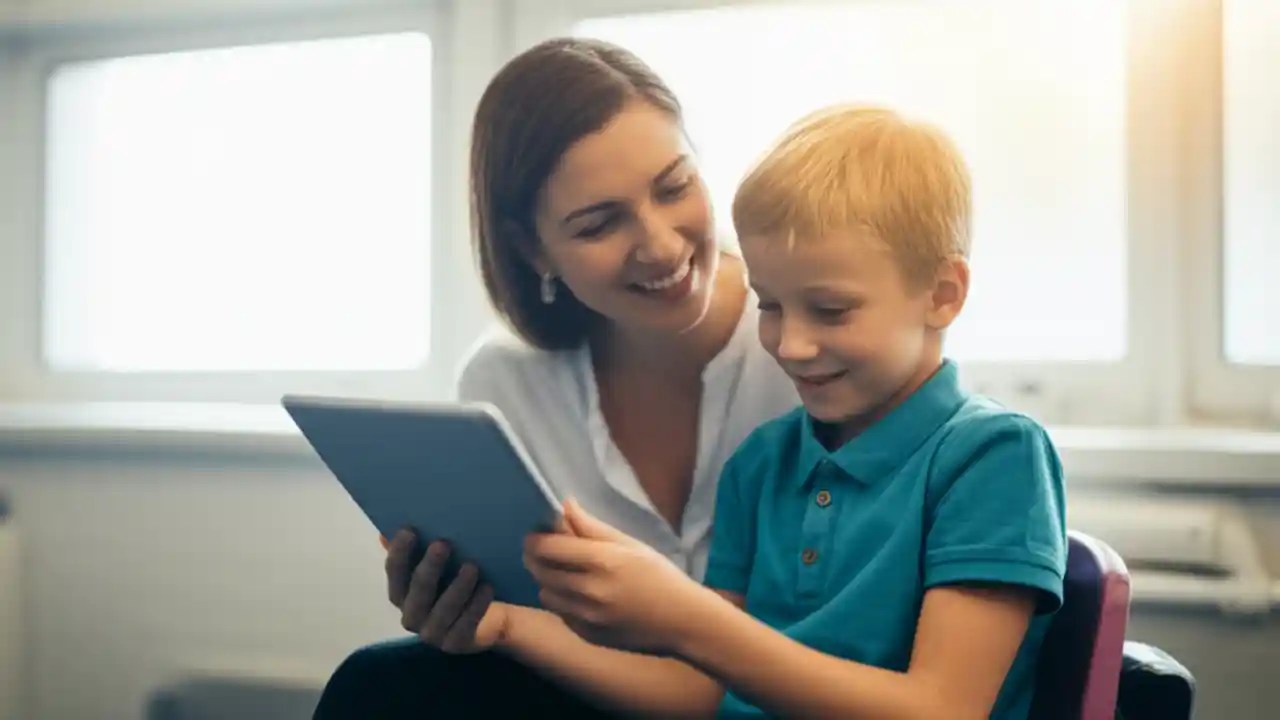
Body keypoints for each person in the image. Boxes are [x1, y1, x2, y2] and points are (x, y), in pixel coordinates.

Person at [510, 105, 1069, 718]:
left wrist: (687, 617)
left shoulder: (993, 457)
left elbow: (942, 710)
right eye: (770, 306)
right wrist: (506, 625)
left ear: (942, 295)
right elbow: (701, 691)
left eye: (830, 311)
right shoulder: (761, 463)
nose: (791, 345)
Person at [313, 37, 796, 718]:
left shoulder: (813, 346)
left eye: (675, 187)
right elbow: (524, 620)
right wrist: (466, 613)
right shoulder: (504, 383)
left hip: (790, 689)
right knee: (381, 682)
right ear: (531, 248)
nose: (661, 245)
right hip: (597, 692)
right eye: (599, 224)